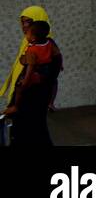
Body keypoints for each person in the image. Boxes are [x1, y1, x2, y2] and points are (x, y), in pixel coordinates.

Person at [3, 19, 61, 147]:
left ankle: (15, 106)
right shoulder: (46, 43)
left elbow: (31, 68)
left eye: (28, 22)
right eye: (22, 22)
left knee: (31, 123)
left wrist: (25, 81)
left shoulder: (33, 47)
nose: (24, 26)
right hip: (40, 87)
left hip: (35, 90)